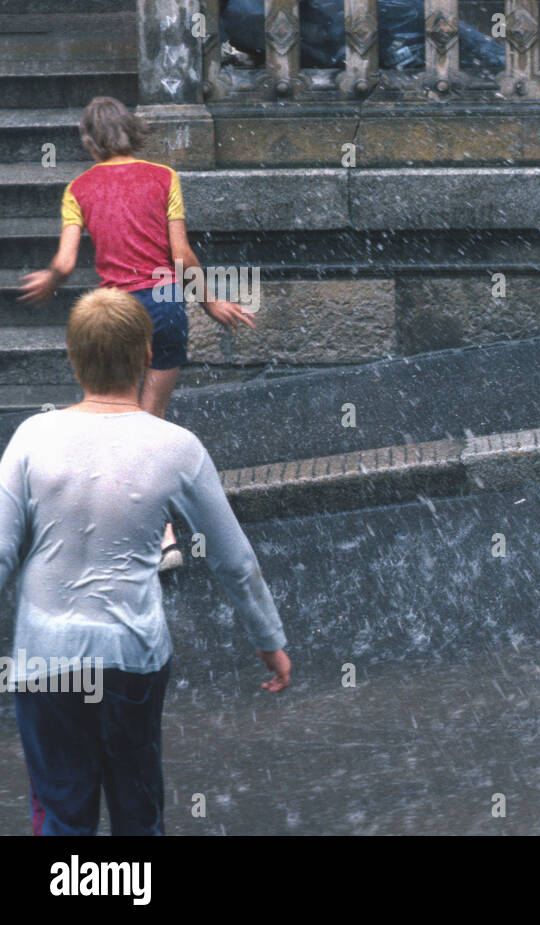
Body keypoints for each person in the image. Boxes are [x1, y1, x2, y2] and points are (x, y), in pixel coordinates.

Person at [0, 288, 291, 835]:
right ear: (144, 356)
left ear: (72, 355)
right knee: (137, 807)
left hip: (45, 656)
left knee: (61, 809)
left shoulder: (31, 438)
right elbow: (234, 559)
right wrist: (268, 638)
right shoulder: (175, 446)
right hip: (131, 653)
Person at [18, 96, 256, 571]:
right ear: (132, 130)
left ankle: (151, 534)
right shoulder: (163, 177)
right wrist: (211, 302)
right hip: (166, 304)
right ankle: (162, 535)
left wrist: (50, 278)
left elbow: (65, 263)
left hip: (116, 314)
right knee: (151, 422)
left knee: (119, 424)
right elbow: (182, 254)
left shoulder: (78, 188)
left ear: (89, 140)